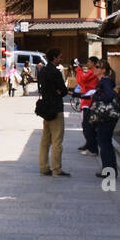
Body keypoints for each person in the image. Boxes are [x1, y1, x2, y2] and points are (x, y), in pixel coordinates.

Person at [37, 47, 70, 176]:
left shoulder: (43, 71)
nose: (60, 59)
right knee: (57, 140)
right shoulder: (55, 72)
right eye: (59, 57)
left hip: (45, 107)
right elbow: (63, 90)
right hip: (56, 107)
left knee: (45, 139)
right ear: (54, 58)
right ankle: (56, 168)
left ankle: (43, 167)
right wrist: (59, 91)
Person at [90, 73, 120, 178]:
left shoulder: (105, 81)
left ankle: (108, 171)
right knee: (106, 143)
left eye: (97, 67)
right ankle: (111, 170)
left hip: (106, 118)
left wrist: (98, 98)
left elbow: (108, 96)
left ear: (103, 69)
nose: (95, 69)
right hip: (107, 118)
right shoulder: (105, 81)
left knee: (104, 144)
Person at [76, 56, 100, 155]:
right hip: (88, 99)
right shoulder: (94, 71)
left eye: (89, 62)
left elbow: (82, 80)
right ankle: (89, 145)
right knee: (87, 125)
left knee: (87, 126)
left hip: (88, 101)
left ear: (94, 63)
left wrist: (79, 70)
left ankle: (92, 148)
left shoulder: (93, 71)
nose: (87, 64)